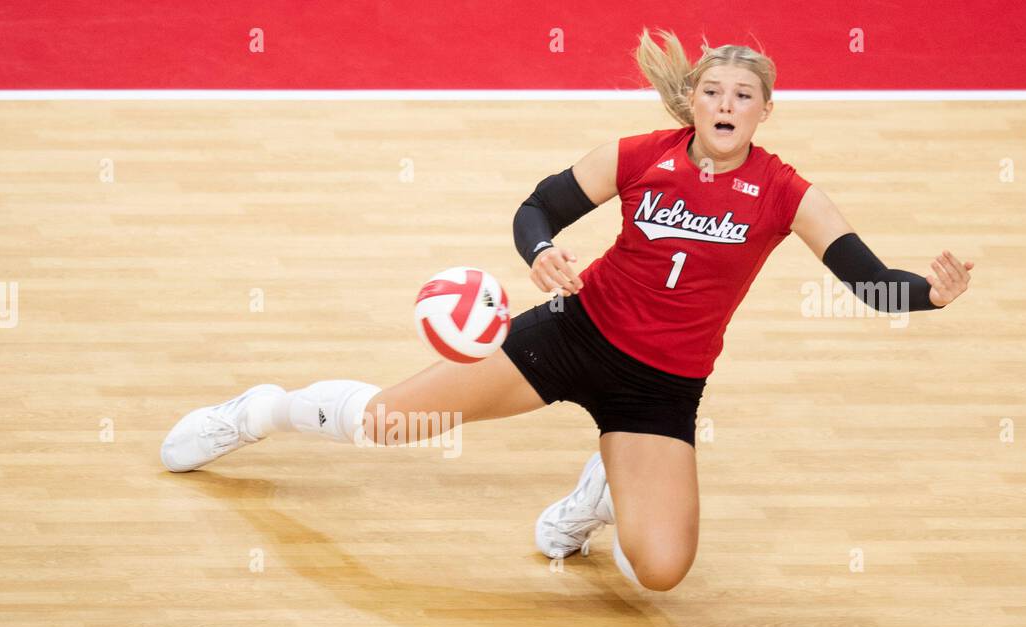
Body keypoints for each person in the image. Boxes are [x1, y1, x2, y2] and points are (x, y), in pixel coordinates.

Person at [160, 28, 974, 593]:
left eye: (746, 95)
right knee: (386, 425)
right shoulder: (635, 157)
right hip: (570, 338)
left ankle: (595, 493)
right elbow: (537, 208)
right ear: (690, 100)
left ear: (765, 112)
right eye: (714, 90)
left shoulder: (787, 192)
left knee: (659, 574)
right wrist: (540, 254)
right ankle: (259, 410)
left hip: (660, 390)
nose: (728, 103)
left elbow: (867, 280)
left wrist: (927, 293)